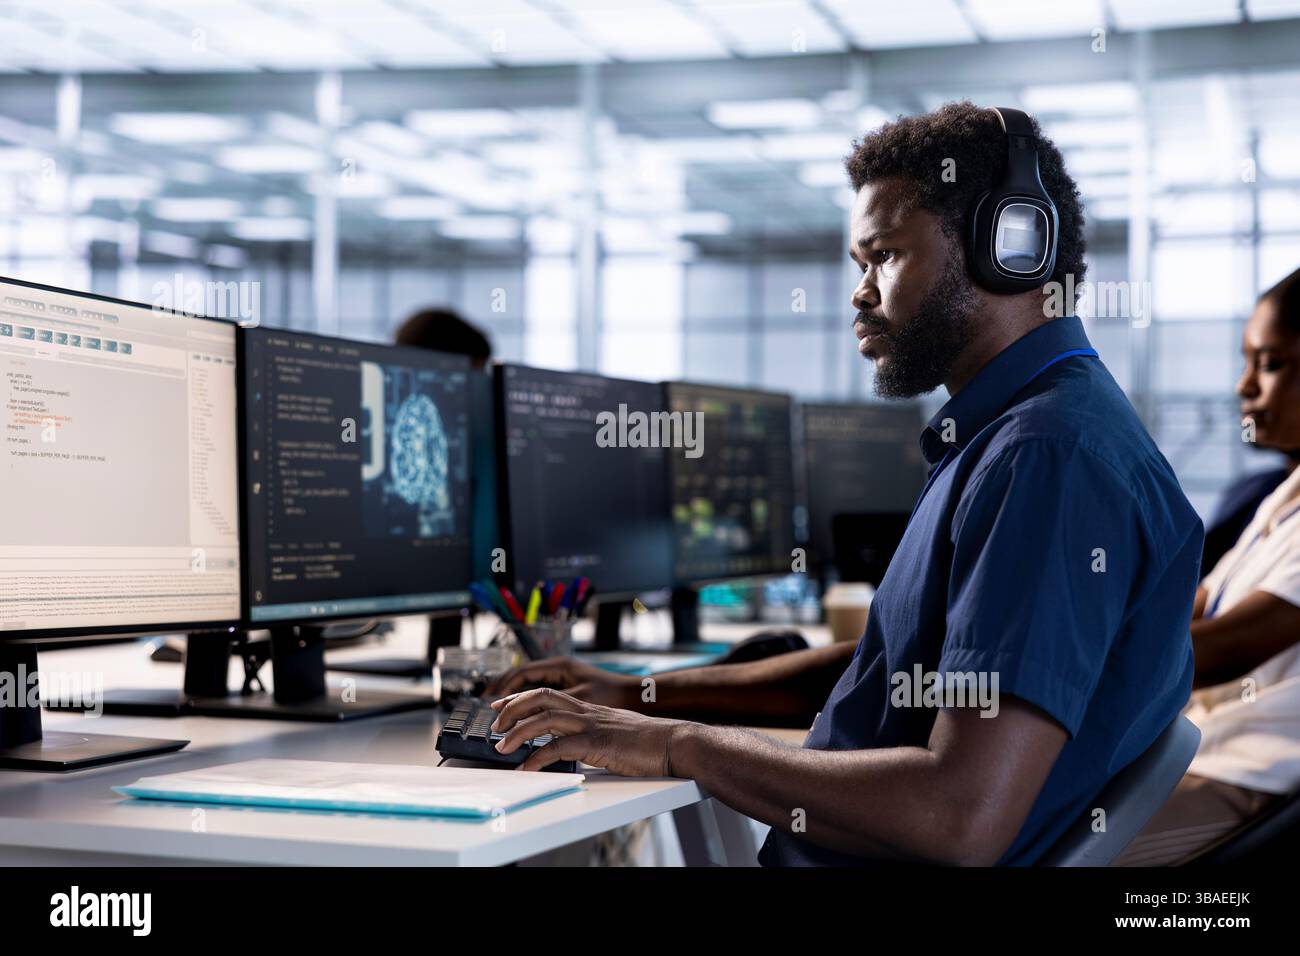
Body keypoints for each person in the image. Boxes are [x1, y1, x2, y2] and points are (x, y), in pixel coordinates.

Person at [486, 102, 1204, 867]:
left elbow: (959, 816)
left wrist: (680, 745)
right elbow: (896, 673)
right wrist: (640, 698)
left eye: (884, 257)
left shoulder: (1047, 459)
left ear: (1008, 250)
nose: (860, 293)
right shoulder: (1018, 433)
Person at [1115, 267, 1300, 866]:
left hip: (1251, 780)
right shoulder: (1283, 495)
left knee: (1019, 844)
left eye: (1270, 365)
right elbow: (1190, 606)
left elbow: (1226, 646)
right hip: (1197, 748)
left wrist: (1064, 662)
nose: (1245, 386)